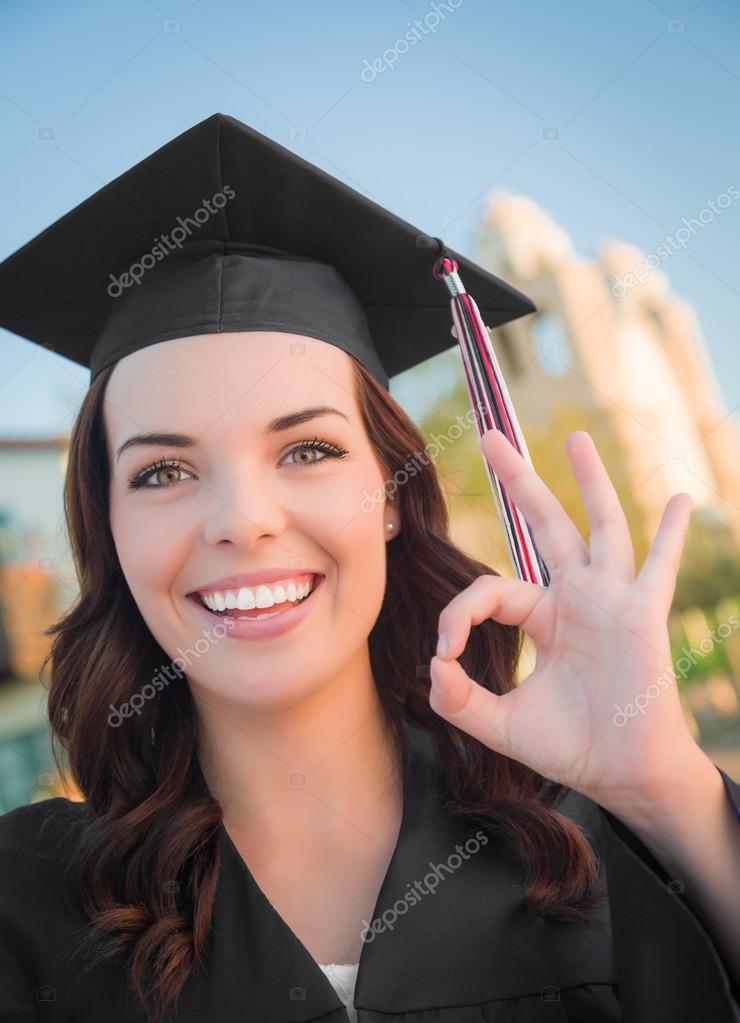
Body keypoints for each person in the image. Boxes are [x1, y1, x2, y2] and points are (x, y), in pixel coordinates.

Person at [0, 113, 738, 1023]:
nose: (242, 521)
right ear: (106, 527)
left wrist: (665, 785)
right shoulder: (23, 910)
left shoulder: (579, 845)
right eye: (163, 471)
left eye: (307, 449)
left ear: (390, 493)